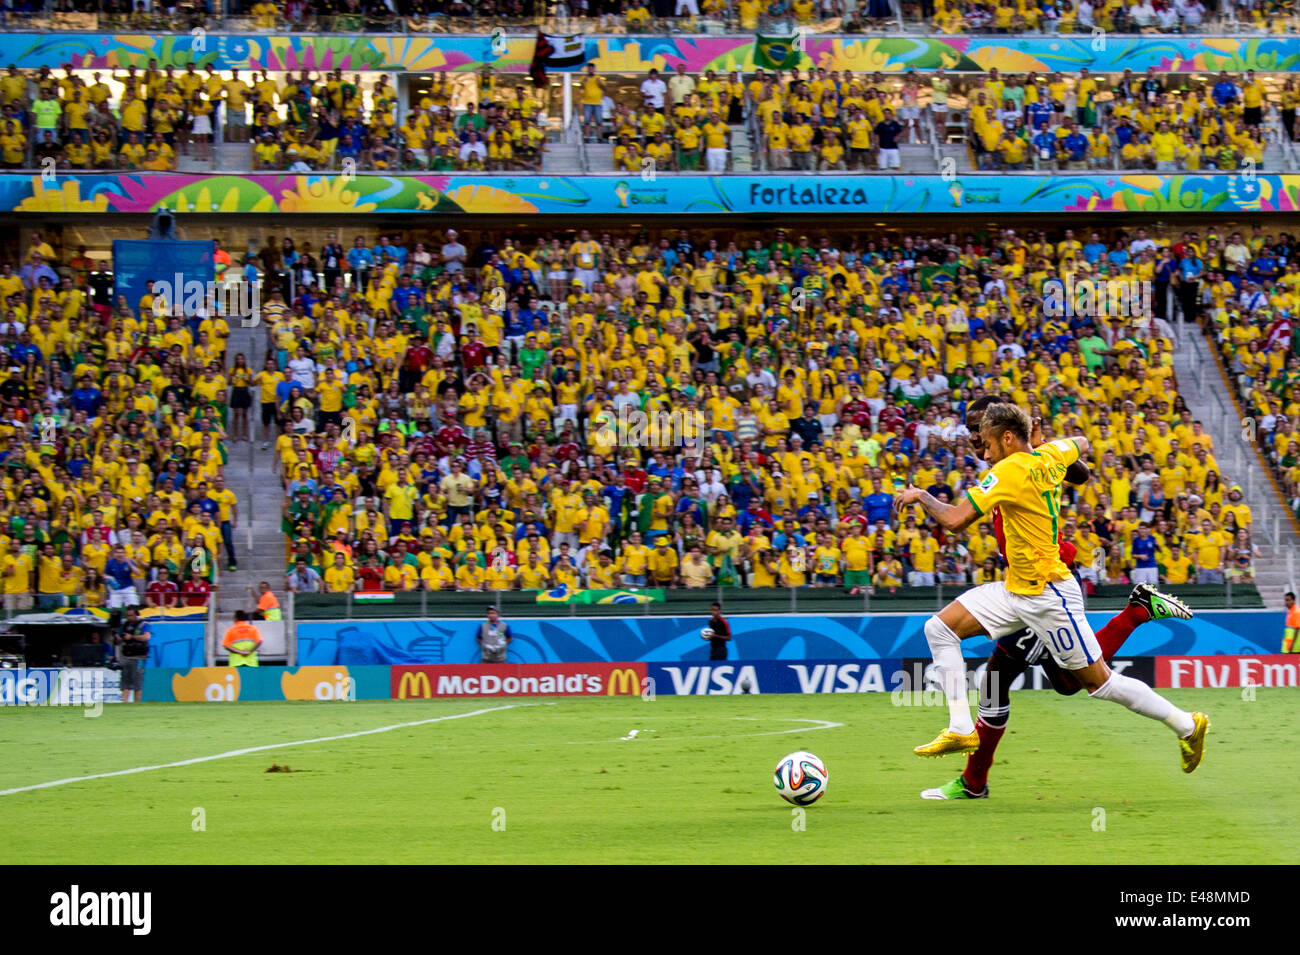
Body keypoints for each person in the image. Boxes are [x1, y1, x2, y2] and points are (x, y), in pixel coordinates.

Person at [896, 402, 1208, 785]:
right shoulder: (1048, 453)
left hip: (1048, 595)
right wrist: (1048, 444)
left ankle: (1186, 724)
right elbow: (1079, 443)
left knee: (1096, 682)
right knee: (940, 630)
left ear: (1008, 437)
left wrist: (923, 497)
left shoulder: (1009, 469)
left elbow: (955, 521)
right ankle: (961, 728)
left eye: (988, 440)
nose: (984, 449)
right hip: (1015, 590)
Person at [117, 606, 151, 703]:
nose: (129, 618)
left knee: (137, 681)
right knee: (125, 681)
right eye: (127, 615)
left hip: (139, 656)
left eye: (131, 615)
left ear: (136, 614)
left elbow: (146, 637)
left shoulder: (143, 624)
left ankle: (137, 703)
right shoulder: (124, 625)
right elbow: (118, 638)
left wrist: (131, 637)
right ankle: (124, 703)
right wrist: (120, 638)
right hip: (127, 655)